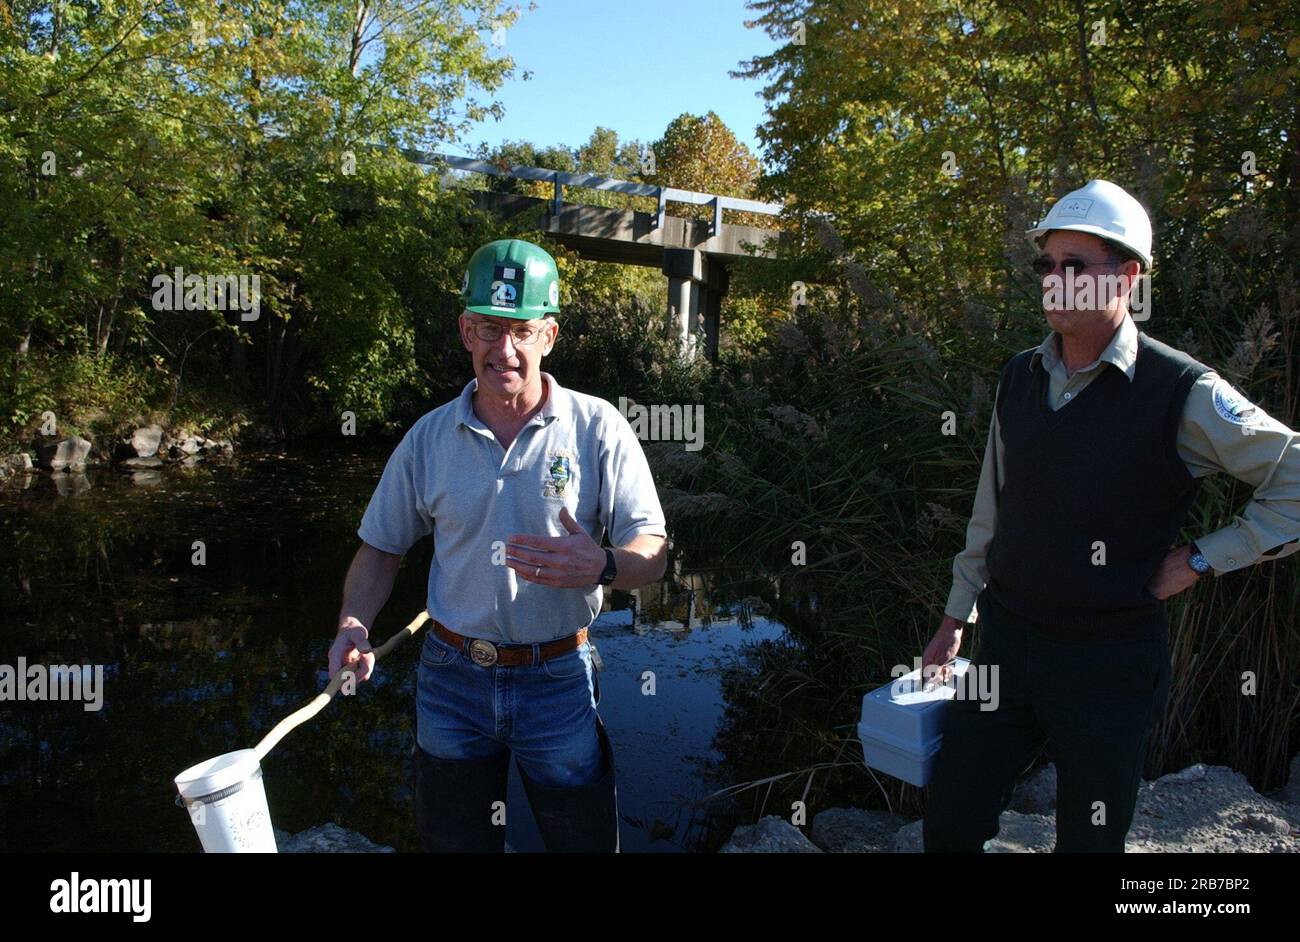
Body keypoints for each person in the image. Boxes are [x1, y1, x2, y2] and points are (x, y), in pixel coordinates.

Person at [921, 179, 1300, 852]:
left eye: (1076, 266)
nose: (1056, 282)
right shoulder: (1018, 377)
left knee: (1089, 842)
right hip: (1005, 644)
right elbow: (991, 513)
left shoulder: (1181, 392)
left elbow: (1292, 472)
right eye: (1047, 265)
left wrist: (1205, 558)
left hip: (1110, 660)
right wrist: (956, 619)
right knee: (951, 817)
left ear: (1127, 276)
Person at [328, 238, 668, 852]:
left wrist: (607, 564)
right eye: (488, 328)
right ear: (465, 332)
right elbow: (381, 549)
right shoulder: (428, 438)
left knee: (582, 845)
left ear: (550, 336)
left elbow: (655, 552)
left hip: (559, 676)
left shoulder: (598, 429)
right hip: (451, 677)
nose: (503, 350)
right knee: (455, 844)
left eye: (520, 330)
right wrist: (354, 622)